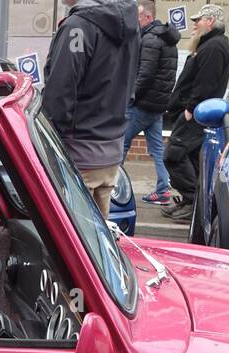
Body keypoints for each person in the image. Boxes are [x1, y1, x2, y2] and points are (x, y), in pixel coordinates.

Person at [43, 0, 139, 217]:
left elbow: (60, 92)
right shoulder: (130, 26)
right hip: (110, 152)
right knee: (94, 243)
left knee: (68, 241)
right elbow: (131, 83)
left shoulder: (77, 26)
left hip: (78, 153)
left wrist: (50, 142)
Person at [162, 4, 229, 221]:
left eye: (198, 20)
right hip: (195, 111)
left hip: (197, 113)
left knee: (174, 155)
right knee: (191, 159)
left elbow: (205, 84)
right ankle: (193, 202)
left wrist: (191, 109)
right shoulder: (209, 45)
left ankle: (194, 202)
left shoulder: (213, 47)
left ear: (209, 21)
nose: (194, 24)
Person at [122, 1, 178, 206]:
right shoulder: (166, 39)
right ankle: (163, 190)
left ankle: (112, 187)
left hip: (142, 105)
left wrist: (130, 97)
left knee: (120, 143)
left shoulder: (151, 39)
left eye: (137, 17)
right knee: (156, 149)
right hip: (157, 105)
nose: (135, 21)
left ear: (147, 17)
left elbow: (145, 75)